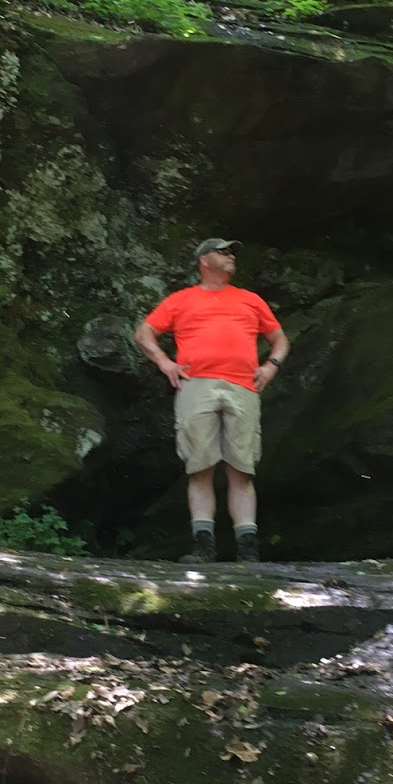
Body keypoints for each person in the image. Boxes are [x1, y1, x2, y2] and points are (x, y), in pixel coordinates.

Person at [134, 238, 289, 563]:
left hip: (243, 387)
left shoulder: (250, 300)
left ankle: (248, 550)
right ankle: (203, 548)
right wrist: (165, 363)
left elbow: (279, 340)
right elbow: (144, 332)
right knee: (200, 468)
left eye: (233, 252)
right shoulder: (181, 300)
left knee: (241, 470)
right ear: (204, 260)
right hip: (196, 385)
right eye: (224, 251)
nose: (232, 256)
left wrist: (270, 367)